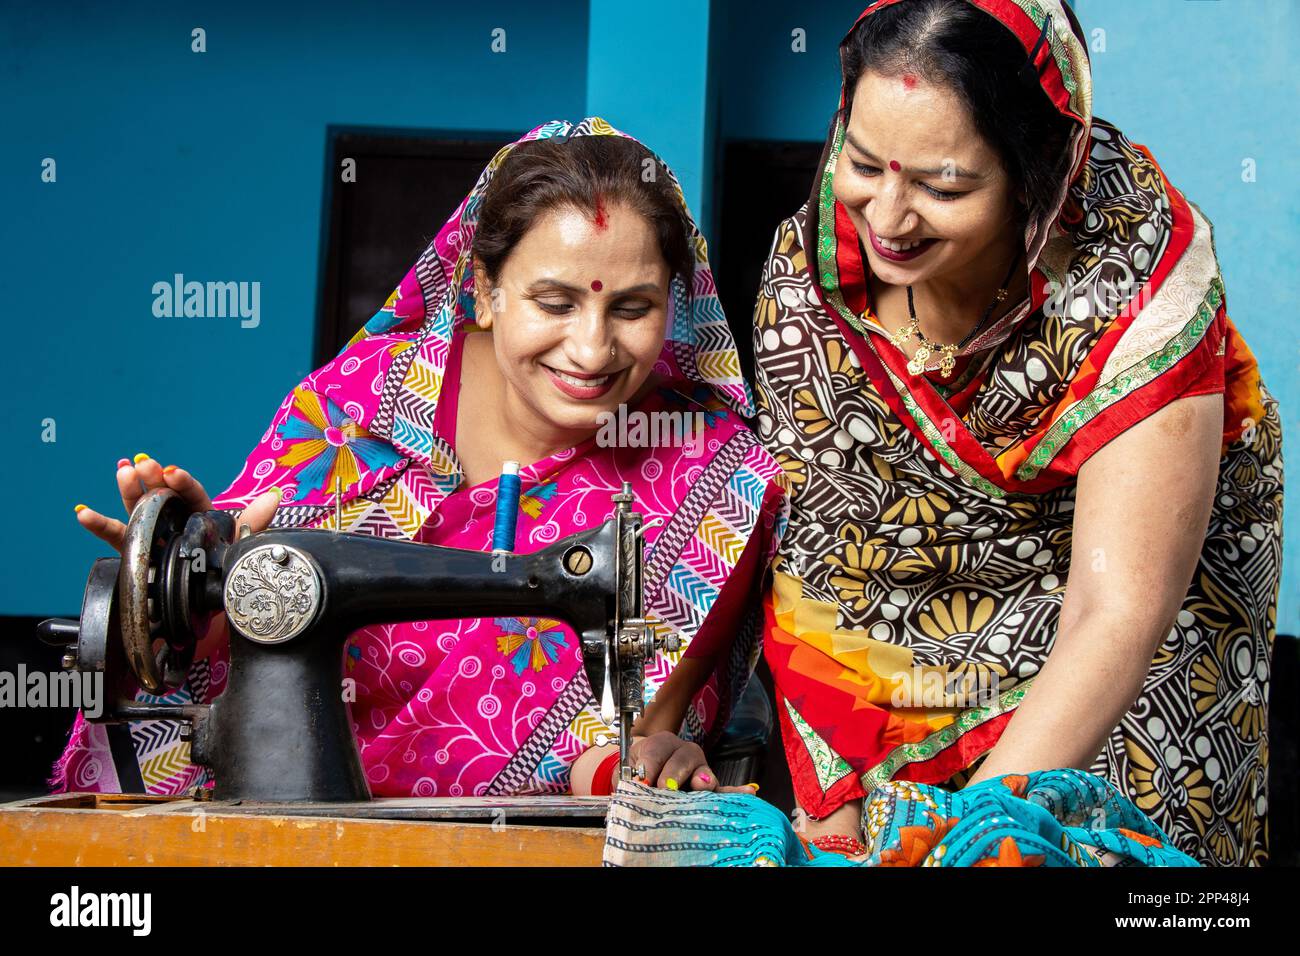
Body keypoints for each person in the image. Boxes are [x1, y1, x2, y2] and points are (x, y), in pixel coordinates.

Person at [55, 118, 787, 800]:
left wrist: (645, 766)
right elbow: (223, 627)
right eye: (555, 303)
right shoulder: (356, 403)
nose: (593, 349)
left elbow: (623, 735)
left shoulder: (718, 480)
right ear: (485, 290)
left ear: (675, 303)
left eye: (632, 308)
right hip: (265, 804)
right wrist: (198, 595)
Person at [751, 0, 1281, 865]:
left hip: (1132, 633)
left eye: (942, 186)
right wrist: (839, 798)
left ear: (1037, 174)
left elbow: (1118, 608)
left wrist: (982, 834)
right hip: (904, 647)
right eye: (862, 163)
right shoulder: (813, 277)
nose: (886, 216)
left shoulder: (1135, 279)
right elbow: (825, 553)